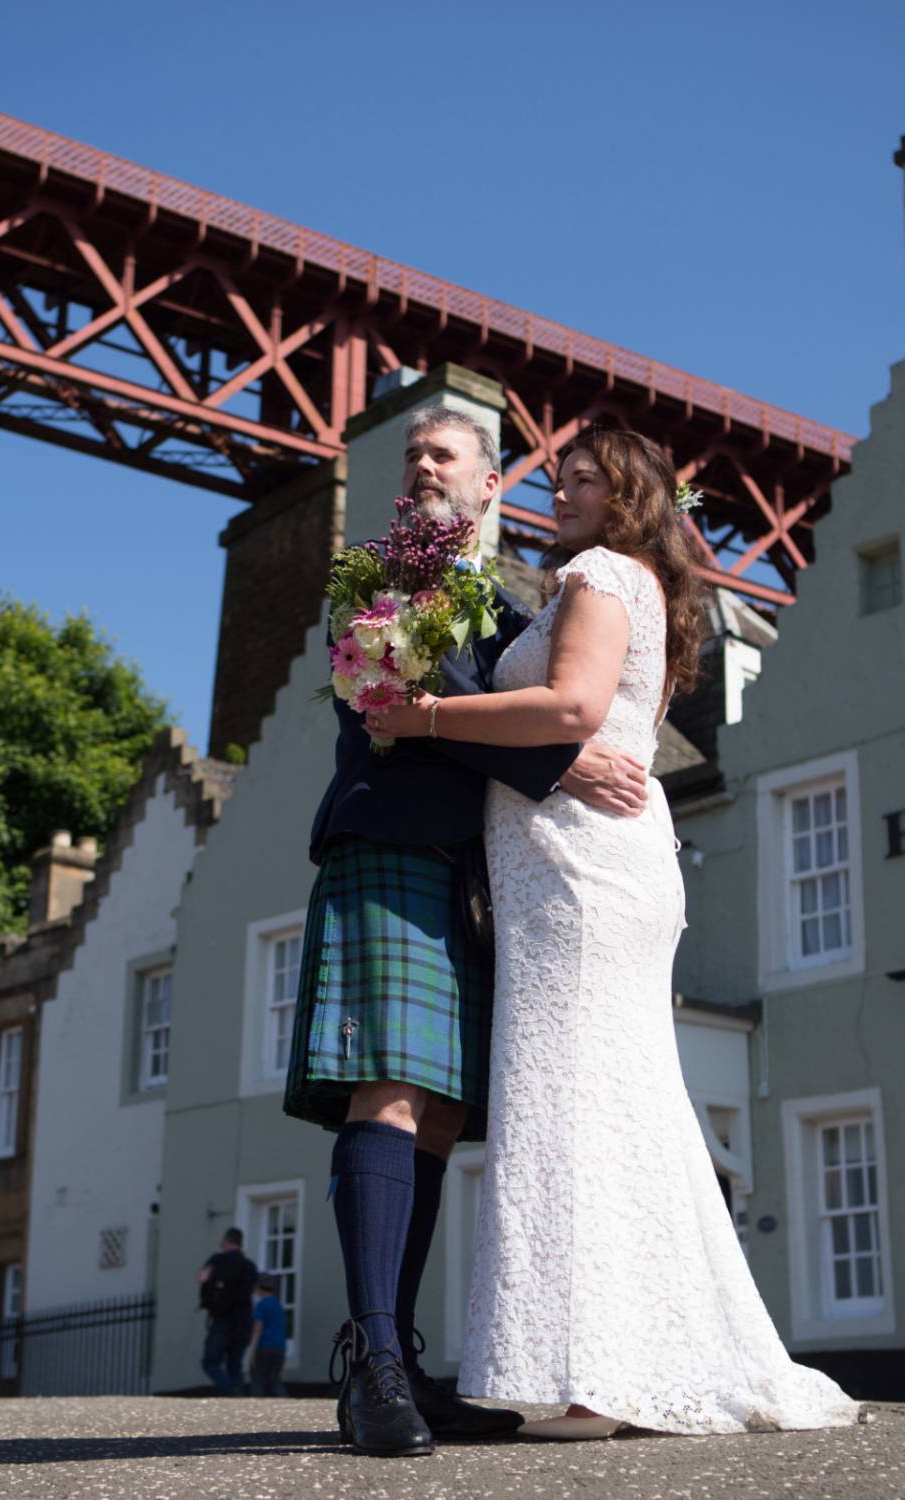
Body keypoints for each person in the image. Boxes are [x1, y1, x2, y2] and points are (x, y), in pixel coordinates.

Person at [363, 426, 864, 1439]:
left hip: (580, 879)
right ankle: (624, 1359)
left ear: (631, 496)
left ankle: (592, 1378)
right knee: (616, 1101)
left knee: (565, 1099)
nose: (565, 496)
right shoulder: (624, 584)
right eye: (559, 480)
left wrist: (418, 718)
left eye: (586, 480)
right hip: (593, 870)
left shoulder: (597, 571)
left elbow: (571, 707)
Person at [289, 404, 654, 1458]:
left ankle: (399, 1349)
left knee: (441, 1115)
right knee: (393, 1091)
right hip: (392, 846)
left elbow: (526, 696)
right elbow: (404, 697)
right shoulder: (377, 573)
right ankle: (372, 1366)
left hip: (484, 879)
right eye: (411, 454)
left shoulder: (505, 605)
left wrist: (562, 736)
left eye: (443, 455)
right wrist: (560, 756)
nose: (421, 467)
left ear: (492, 485)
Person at [197, 1228, 258, 1395]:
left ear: (226, 1242)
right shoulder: (249, 1266)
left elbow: (202, 1278)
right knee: (235, 1364)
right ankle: (236, 1397)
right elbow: (253, 1288)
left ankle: (228, 1392)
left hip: (222, 1319)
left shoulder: (217, 1260)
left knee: (210, 1362)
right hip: (243, 1320)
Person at [246, 1275, 289, 1397]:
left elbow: (257, 1330)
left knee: (257, 1379)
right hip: (279, 1347)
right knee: (274, 1379)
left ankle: (256, 1407)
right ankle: (286, 1402)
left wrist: (251, 1351)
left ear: (258, 1287)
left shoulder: (261, 1305)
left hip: (264, 1346)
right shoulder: (278, 1305)